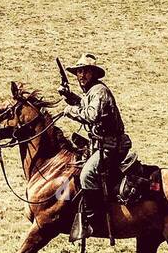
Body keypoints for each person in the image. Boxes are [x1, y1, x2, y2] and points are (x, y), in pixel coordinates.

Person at [58, 54, 136, 243]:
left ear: (93, 73)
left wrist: (70, 111)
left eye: (85, 71)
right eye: (78, 72)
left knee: (87, 175)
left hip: (110, 146)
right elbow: (84, 104)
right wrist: (69, 96)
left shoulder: (99, 90)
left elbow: (91, 115)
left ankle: (93, 219)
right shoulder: (91, 91)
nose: (81, 75)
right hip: (98, 144)